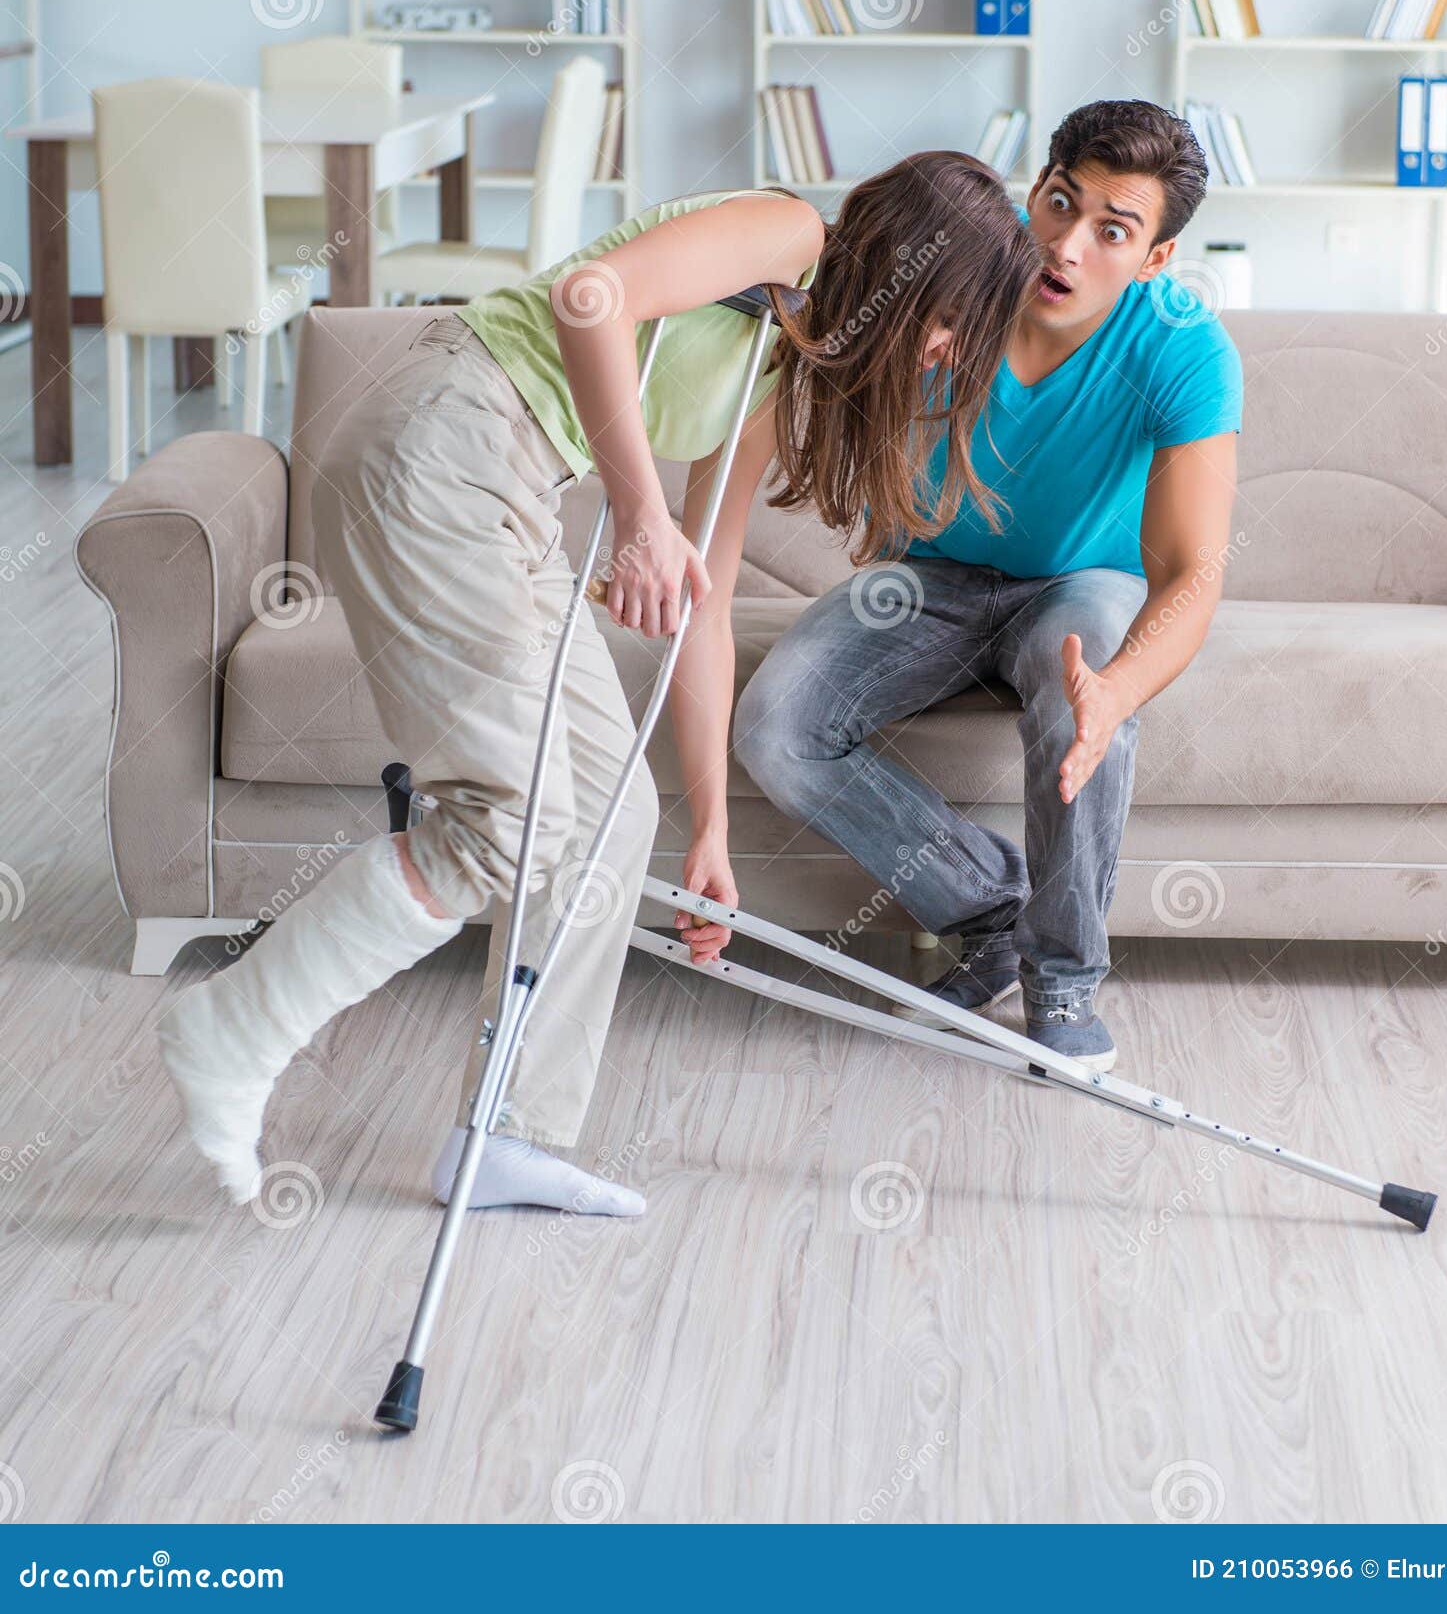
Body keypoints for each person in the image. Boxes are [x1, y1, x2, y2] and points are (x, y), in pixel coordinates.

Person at [156, 153, 1042, 1214]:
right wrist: (637, 515)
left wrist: (709, 829)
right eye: (950, 319)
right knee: (507, 819)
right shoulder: (785, 232)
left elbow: (701, 601)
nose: (943, 351)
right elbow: (591, 298)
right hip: (442, 442)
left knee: (611, 822)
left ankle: (508, 1136)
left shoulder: (778, 369)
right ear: (908, 263)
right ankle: (233, 1027)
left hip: (516, 491)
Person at [711, 101, 1244, 1074]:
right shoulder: (949, 286)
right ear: (1031, 190)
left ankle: (1062, 974)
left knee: (1082, 684)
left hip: (1082, 583)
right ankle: (983, 909)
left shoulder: (1179, 345)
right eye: (1058, 202)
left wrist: (1114, 693)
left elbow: (1189, 570)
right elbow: (819, 311)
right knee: (774, 725)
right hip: (931, 581)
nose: (1066, 245)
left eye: (1111, 230)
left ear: (1155, 258)